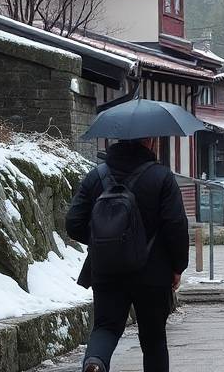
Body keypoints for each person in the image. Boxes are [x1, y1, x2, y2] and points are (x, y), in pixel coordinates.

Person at [66, 136, 189, 372]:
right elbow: (176, 226)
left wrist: (103, 243)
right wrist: (177, 266)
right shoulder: (162, 177)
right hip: (153, 272)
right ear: (149, 141)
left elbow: (73, 223)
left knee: (105, 328)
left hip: (107, 269)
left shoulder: (96, 176)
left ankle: (95, 363)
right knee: (154, 340)